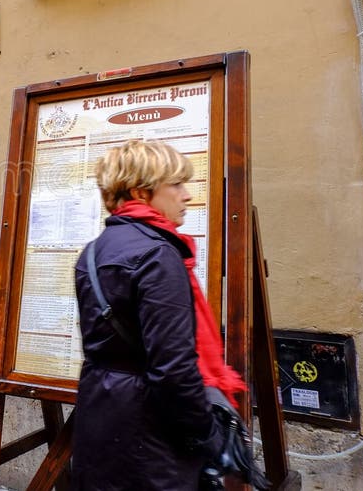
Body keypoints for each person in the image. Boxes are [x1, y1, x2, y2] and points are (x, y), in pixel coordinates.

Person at [71, 140, 247, 490]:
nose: (187, 196)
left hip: (100, 417)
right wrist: (208, 437)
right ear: (141, 191)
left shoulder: (93, 252)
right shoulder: (157, 255)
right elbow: (173, 369)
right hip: (150, 434)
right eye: (177, 185)